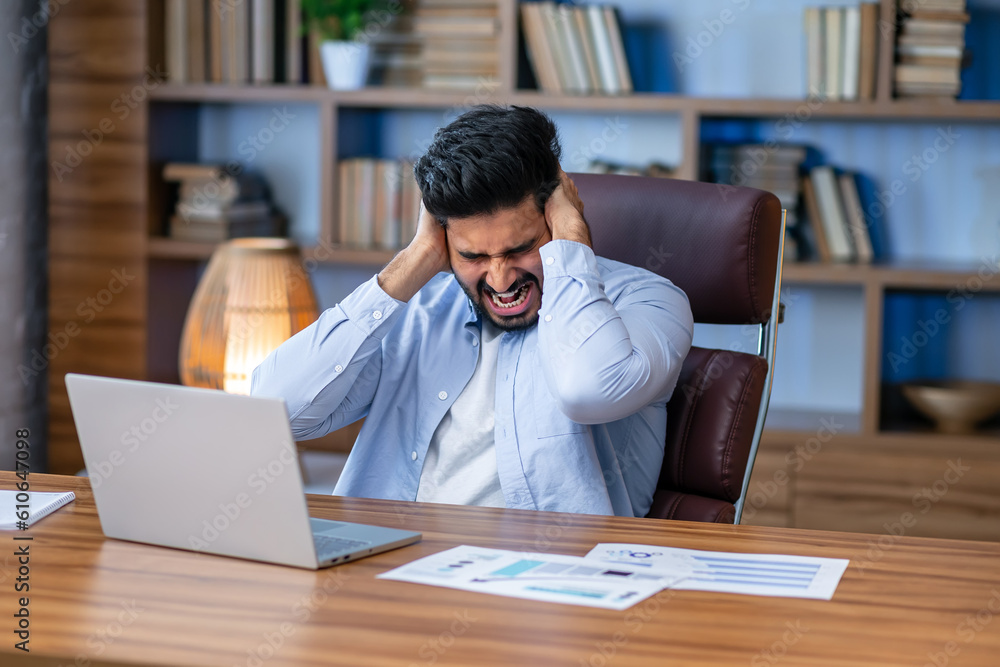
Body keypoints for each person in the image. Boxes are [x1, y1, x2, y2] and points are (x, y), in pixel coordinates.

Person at [251, 105, 693, 517]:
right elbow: (277, 410)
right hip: (384, 565)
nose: (501, 280)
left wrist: (573, 240)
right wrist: (416, 259)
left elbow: (588, 389)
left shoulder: (649, 301)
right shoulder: (421, 308)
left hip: (542, 582)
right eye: (474, 256)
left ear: (555, 214)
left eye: (522, 248)